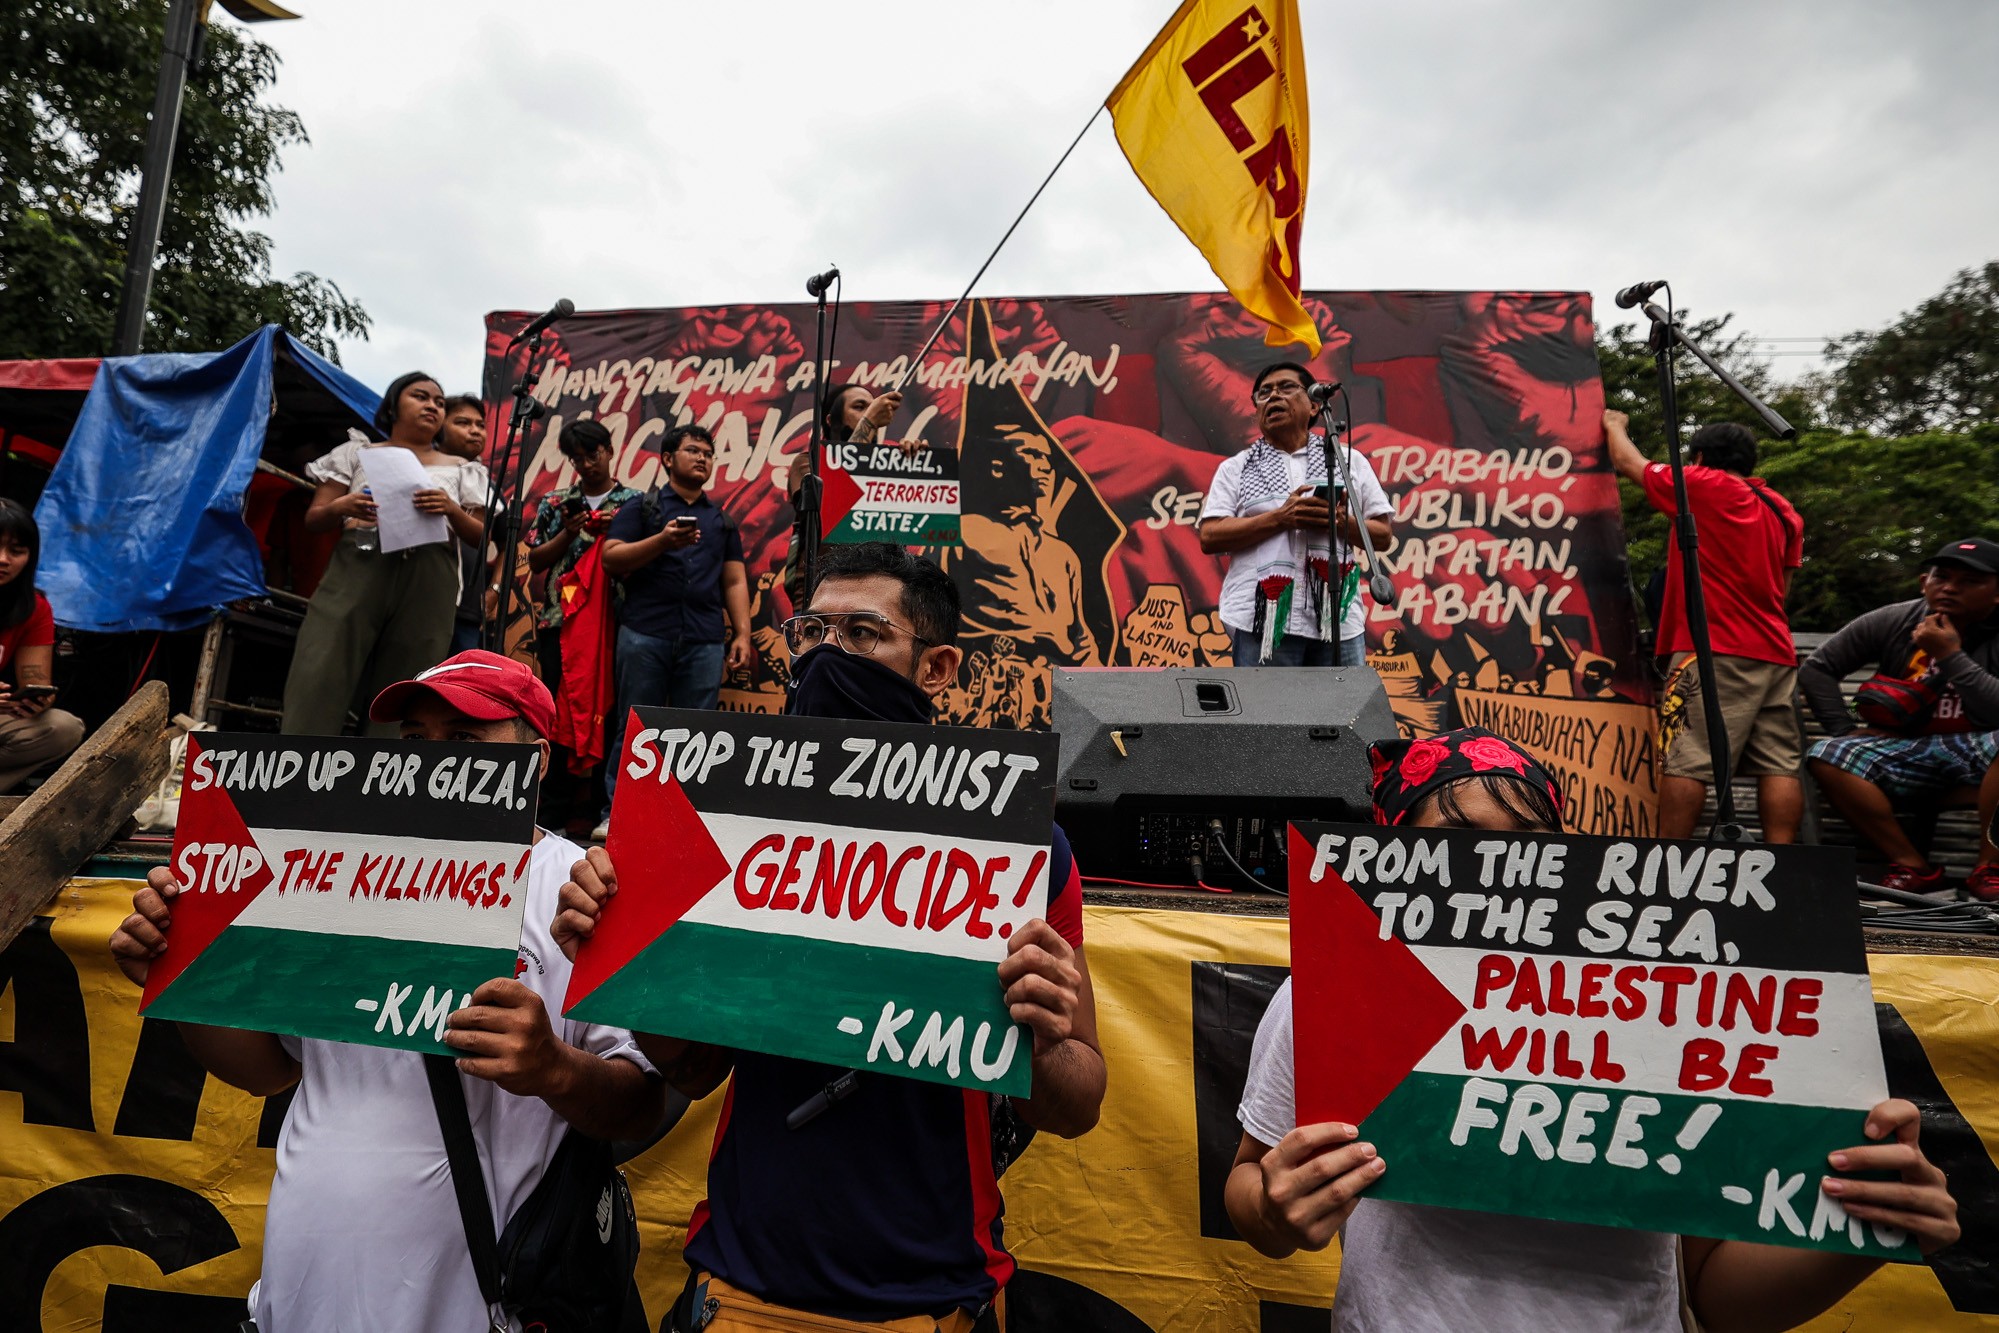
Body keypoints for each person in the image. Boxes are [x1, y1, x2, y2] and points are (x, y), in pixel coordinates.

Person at [1225, 726, 1961, 1332]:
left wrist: (1867, 1226)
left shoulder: (1666, 1009)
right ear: (1394, 851)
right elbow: (1248, 1180)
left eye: (1529, 835)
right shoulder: (1333, 994)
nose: (1501, 862)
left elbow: (1719, 1301)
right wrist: (1274, 1210)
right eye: (1458, 837)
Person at [552, 542, 1106, 1331]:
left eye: (861, 634)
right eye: (809, 633)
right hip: (743, 1289)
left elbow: (1078, 1101)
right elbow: (693, 1064)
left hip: (932, 1297)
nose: (824, 655)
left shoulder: (1021, 847)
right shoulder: (726, 827)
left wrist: (1046, 1034)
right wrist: (631, 958)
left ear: (937, 667)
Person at [109, 649, 667, 1333]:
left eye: (464, 740)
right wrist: (183, 981)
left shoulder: (580, 886)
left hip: (477, 1307)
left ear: (538, 756)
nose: (433, 760)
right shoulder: (325, 872)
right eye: (414, 740)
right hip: (301, 1294)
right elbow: (265, 1068)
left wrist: (553, 1067)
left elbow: (641, 1102)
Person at [1604, 411, 1805, 843]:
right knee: (1778, 763)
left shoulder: (1704, 485)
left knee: (1686, 757)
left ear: (1696, 458)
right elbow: (1781, 589)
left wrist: (1614, 425)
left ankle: (1665, 860)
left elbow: (1629, 464)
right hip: (1774, 652)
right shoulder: (1783, 509)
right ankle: (1784, 862)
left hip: (1711, 649)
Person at [281, 372, 493, 736]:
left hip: (430, 577)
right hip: (359, 562)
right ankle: (299, 768)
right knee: (322, 664)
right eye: (420, 396)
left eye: (439, 402)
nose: (432, 406)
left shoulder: (462, 469)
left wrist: (451, 510)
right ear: (394, 405)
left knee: (408, 680)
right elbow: (315, 518)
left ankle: (387, 779)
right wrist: (344, 506)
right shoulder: (356, 452)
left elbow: (482, 537)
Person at [1800, 537, 1999, 898]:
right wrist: (1844, 730)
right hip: (1906, 749)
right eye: (1942, 577)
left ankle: (1990, 867)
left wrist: (1950, 655)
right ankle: (1911, 866)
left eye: (1970, 581)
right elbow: (1817, 669)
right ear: (1924, 581)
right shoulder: (1895, 619)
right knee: (1828, 755)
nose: (1950, 588)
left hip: (1983, 754)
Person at [596, 423, 750, 834]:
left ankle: (680, 820)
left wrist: (742, 633)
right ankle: (617, 814)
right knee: (635, 726)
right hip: (644, 632)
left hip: (703, 639)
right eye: (693, 450)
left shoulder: (721, 520)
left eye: (708, 453)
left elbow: (734, 581)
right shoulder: (641, 509)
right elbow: (611, 559)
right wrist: (662, 541)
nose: (703, 458)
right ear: (666, 459)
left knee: (694, 734)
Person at [1199, 362, 1392, 668]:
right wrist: (1280, 519)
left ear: (1315, 405)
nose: (1273, 396)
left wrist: (1340, 522)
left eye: (1286, 387)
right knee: (1268, 716)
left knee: (1343, 715)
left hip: (1337, 621)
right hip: (1261, 622)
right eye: (1264, 393)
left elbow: (1381, 536)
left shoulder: (1348, 461)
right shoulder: (1235, 468)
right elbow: (1209, 536)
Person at [782, 384, 905, 608]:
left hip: (875, 596)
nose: (870, 412)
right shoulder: (807, 463)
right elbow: (834, 496)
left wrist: (914, 463)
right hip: (820, 593)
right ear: (831, 421)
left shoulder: (886, 468)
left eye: (872, 407)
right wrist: (868, 423)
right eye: (860, 407)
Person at [0, 499, 84, 791]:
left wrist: (37, 698)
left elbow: (34, 677)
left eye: (16, 551)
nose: (4, 559)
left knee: (64, 728)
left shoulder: (34, 608)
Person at [437, 394, 493, 653]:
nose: (474, 431)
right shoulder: (421, 471)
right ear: (440, 424)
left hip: (470, 609)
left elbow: (505, 546)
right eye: (462, 422)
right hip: (426, 598)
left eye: (480, 425)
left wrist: (494, 589)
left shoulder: (489, 486)